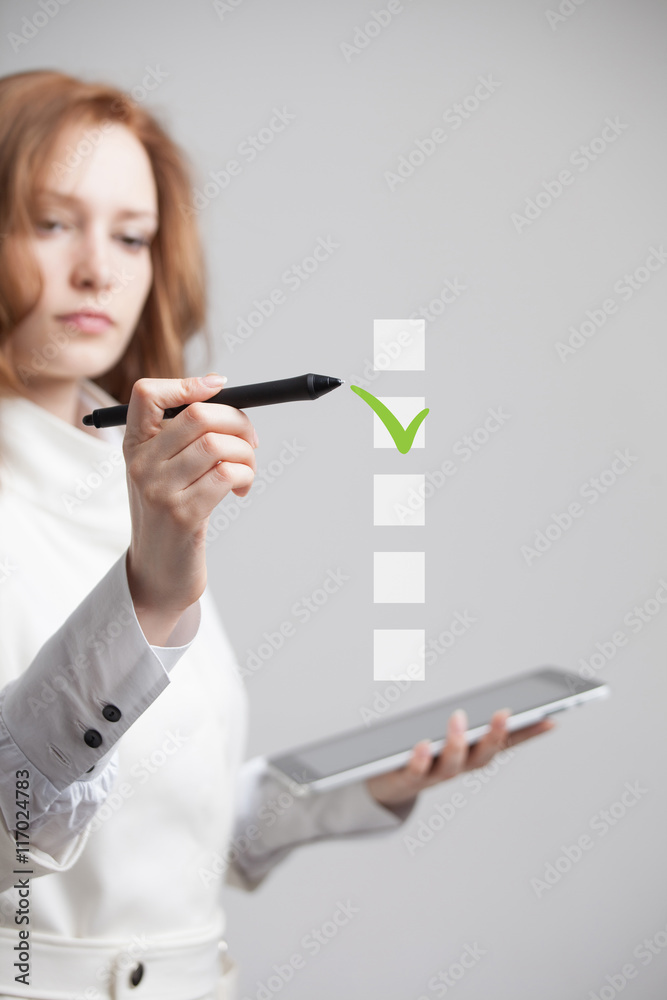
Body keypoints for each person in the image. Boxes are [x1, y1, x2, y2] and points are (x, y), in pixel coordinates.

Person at [0, 70, 556, 1000]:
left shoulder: (130, 483)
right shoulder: (143, 525)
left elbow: (173, 827)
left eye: (132, 236)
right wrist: (151, 594)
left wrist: (373, 783)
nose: (100, 267)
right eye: (53, 223)